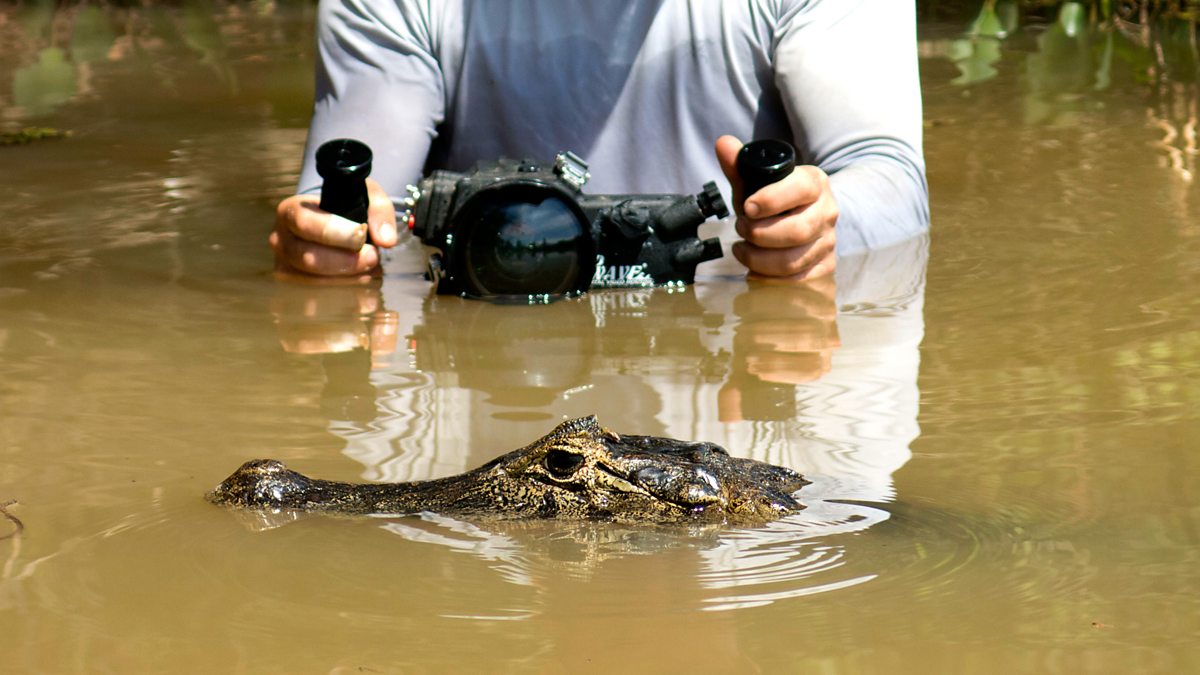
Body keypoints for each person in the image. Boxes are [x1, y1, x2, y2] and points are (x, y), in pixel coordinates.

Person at [270, 0, 928, 281]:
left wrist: (813, 227)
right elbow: (346, 210)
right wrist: (333, 248)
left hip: (718, 392)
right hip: (495, 373)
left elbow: (889, 180)